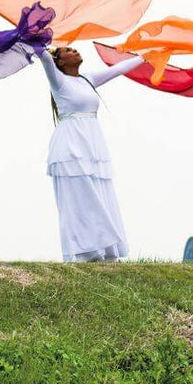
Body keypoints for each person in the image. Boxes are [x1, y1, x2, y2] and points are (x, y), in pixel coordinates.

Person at [36, 45, 143, 262]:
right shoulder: (58, 80)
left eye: (75, 49)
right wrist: (36, 40)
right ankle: (82, 253)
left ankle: (104, 251)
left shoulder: (87, 79)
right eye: (68, 50)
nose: (75, 51)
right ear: (61, 61)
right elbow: (44, 58)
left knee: (100, 195)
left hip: (92, 145)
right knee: (80, 200)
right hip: (69, 147)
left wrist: (147, 57)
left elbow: (119, 69)